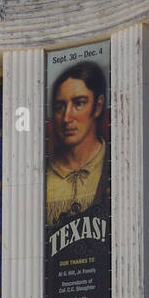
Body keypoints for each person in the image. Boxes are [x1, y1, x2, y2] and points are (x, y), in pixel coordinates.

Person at [46, 61, 110, 227]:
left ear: (98, 106)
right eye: (60, 107)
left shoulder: (113, 164)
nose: (67, 118)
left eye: (79, 103)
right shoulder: (45, 175)